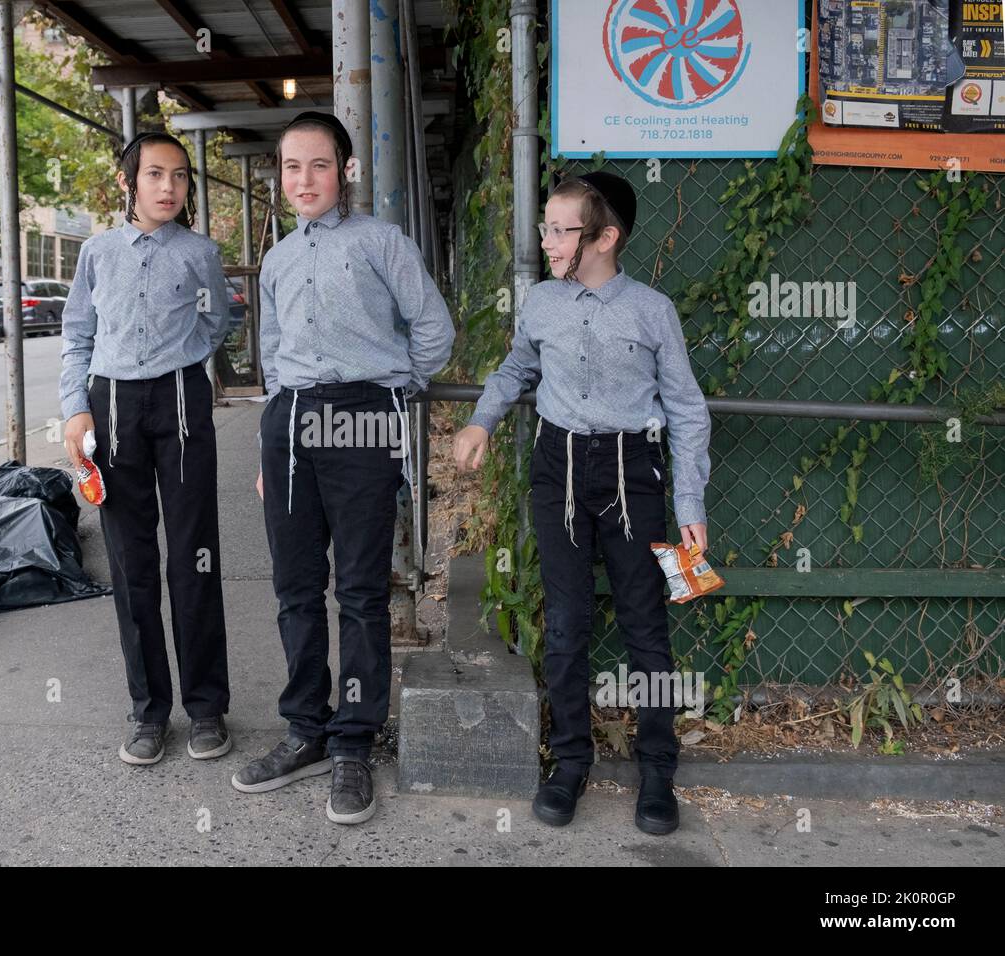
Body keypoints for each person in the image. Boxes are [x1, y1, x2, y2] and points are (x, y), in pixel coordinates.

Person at [453, 172, 711, 835]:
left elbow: (686, 409)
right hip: (559, 469)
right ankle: (569, 762)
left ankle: (658, 769)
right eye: (544, 226)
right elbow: (518, 367)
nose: (545, 240)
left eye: (558, 229)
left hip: (634, 475)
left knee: (645, 628)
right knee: (566, 626)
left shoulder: (652, 310)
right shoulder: (541, 302)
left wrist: (690, 502)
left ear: (604, 237)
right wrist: (483, 419)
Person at [232, 112, 455, 825]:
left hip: (364, 416)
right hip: (290, 421)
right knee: (295, 587)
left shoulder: (383, 242)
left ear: (345, 170)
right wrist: (276, 445)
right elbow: (273, 354)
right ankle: (304, 729)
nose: (304, 180)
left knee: (360, 590)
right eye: (292, 167)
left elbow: (433, 330)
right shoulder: (276, 259)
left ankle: (353, 742)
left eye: (319, 165)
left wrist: (391, 394)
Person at [59, 132, 234, 767]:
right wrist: (75, 406)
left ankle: (208, 708)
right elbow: (77, 331)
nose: (169, 187)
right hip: (110, 405)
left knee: (195, 555)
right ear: (128, 182)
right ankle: (148, 711)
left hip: (182, 401)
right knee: (131, 564)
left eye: (181, 177)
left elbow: (219, 319)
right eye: (156, 175)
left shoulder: (200, 253)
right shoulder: (97, 253)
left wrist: (186, 359)